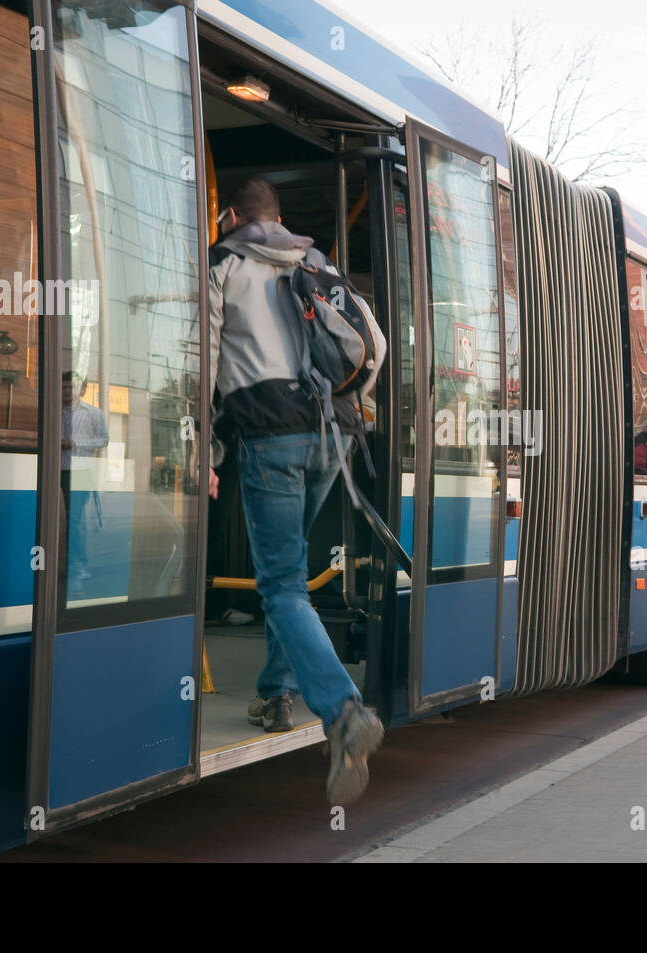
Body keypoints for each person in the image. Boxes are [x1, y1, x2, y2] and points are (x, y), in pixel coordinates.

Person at [207, 177, 382, 804]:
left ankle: (343, 713)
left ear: (232, 216)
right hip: (328, 438)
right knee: (292, 581)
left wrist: (205, 447)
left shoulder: (223, 263)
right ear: (279, 219)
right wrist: (352, 407)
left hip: (267, 438)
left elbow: (201, 355)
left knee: (280, 586)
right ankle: (275, 693)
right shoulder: (317, 263)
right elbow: (375, 344)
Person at [60, 371, 108, 583]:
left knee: (75, 519)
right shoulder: (53, 411)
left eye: (72, 387)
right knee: (50, 519)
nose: (68, 391)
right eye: (64, 387)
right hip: (53, 470)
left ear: (83, 389)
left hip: (80, 470)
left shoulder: (93, 413)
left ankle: (79, 564)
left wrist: (76, 443)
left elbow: (104, 440)